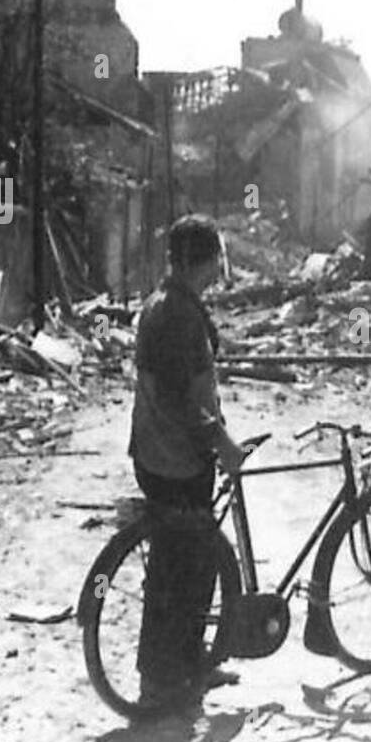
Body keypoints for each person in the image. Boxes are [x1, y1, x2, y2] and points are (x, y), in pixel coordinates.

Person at [128, 215, 246, 711]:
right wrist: (220, 440)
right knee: (181, 570)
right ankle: (163, 678)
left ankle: (190, 661)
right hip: (177, 457)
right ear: (205, 260)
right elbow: (180, 397)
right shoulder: (176, 314)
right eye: (217, 256)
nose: (221, 266)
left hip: (157, 451)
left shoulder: (167, 304)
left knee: (188, 564)